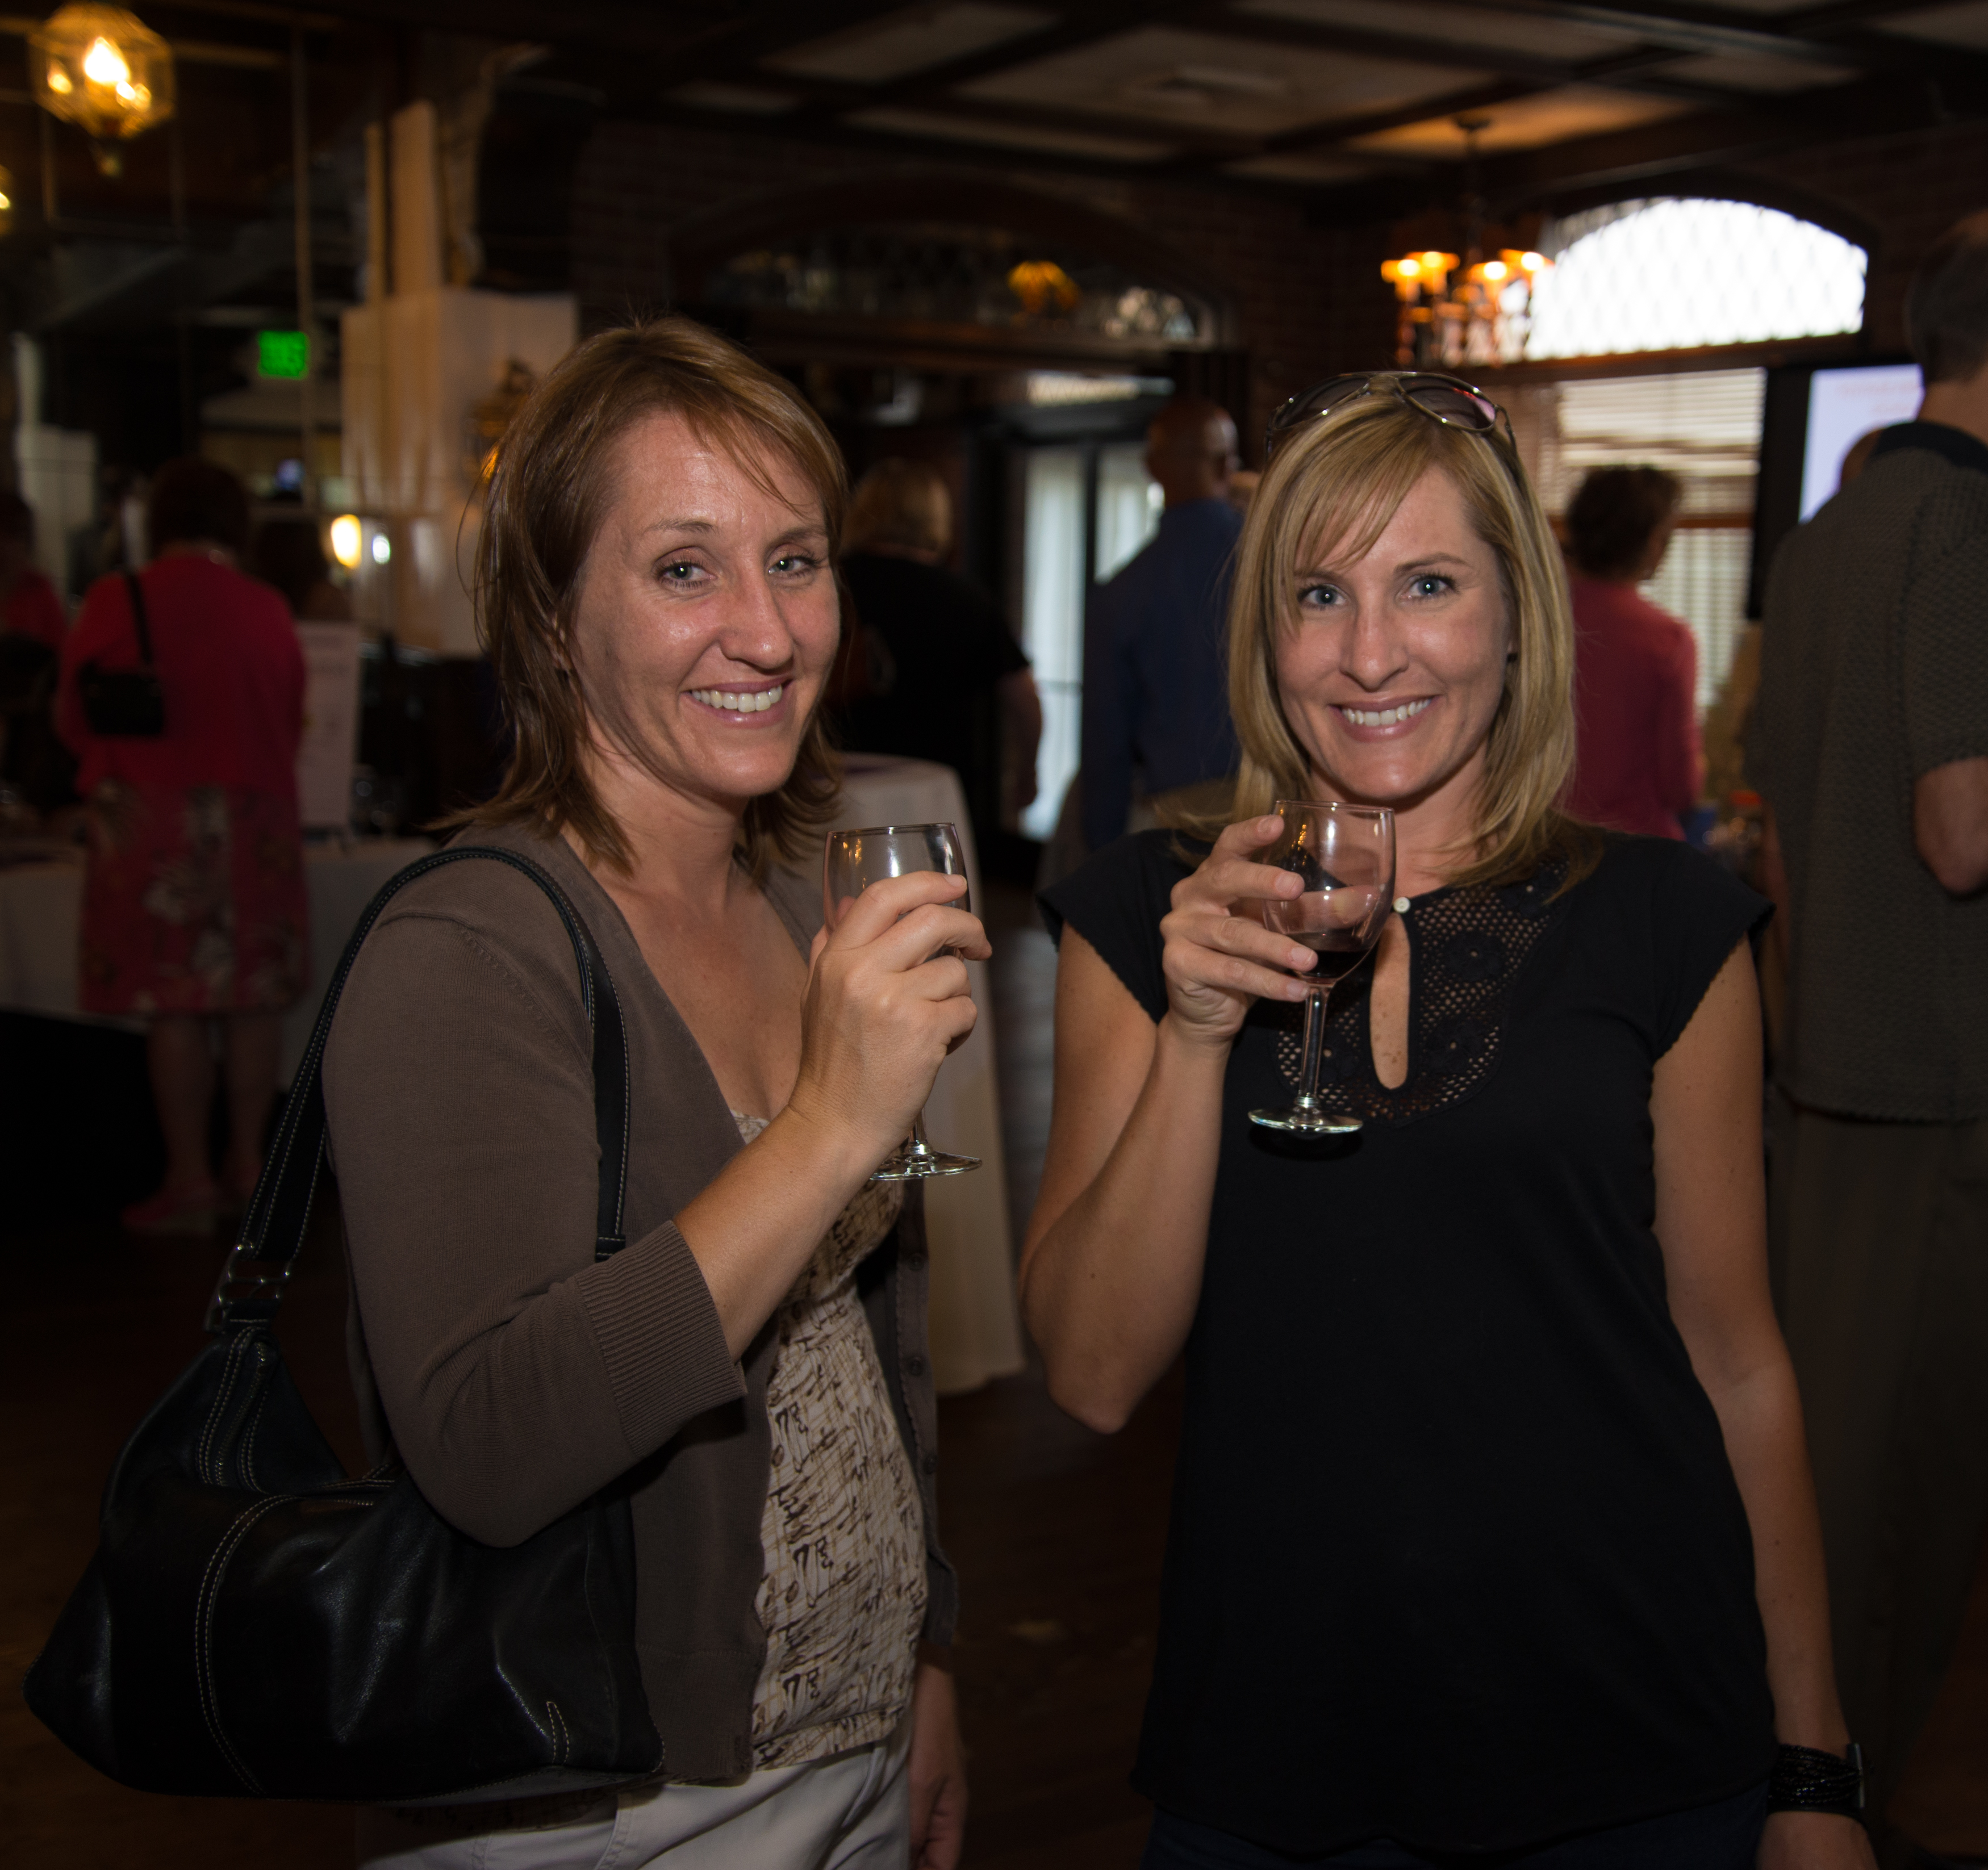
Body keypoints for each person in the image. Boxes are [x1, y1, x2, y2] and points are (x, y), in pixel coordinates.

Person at [1025, 372, 1874, 1868]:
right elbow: (1092, 1374)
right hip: (1276, 1743)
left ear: (1514, 615)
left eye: (1427, 583)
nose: (1369, 654)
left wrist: (1811, 1771)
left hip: (1637, 1733)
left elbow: (1735, 1360)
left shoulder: (1665, 923)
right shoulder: (1148, 917)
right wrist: (1195, 1028)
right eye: (1319, 593)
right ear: (1265, 631)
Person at [323, 319, 975, 1870]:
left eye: (794, 560)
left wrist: (926, 1649)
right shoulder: (467, 944)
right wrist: (827, 1127)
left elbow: (870, 1359)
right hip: (612, 1797)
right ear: (555, 622)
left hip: (856, 1742)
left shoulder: (791, 905)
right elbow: (488, 1441)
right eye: (685, 567)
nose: (767, 630)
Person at [1751, 213, 1988, 1866]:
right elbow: (1960, 830)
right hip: (1944, 1079)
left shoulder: (1832, 522)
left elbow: (1776, 832)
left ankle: (1805, 1795)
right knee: (1910, 1498)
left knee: (1834, 1486)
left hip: (1830, 1059)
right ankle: (1837, 1818)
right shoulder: (1968, 524)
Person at [56, 458, 307, 1232]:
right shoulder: (266, 607)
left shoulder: (116, 599)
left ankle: (190, 1177)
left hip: (152, 819)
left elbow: (71, 717)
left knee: (172, 1003)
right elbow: (292, 714)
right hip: (256, 814)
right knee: (252, 999)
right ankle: (251, 1166)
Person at [836, 457, 1039, 850]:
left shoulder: (828, 583)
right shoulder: (967, 599)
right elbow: (1025, 700)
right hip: (935, 798)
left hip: (838, 787)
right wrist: (1027, 772)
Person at [1078, 395, 1244, 855]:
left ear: (1151, 468)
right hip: (1288, 805)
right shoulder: (1282, 564)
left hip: (1180, 819)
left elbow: (1105, 745)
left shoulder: (1123, 591)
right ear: (1226, 464)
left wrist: (1104, 852)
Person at [1561, 463, 1700, 838]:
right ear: (1653, 541)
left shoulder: (1532, 624)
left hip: (1540, 843)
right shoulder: (1666, 640)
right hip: (1634, 846)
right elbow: (1681, 786)